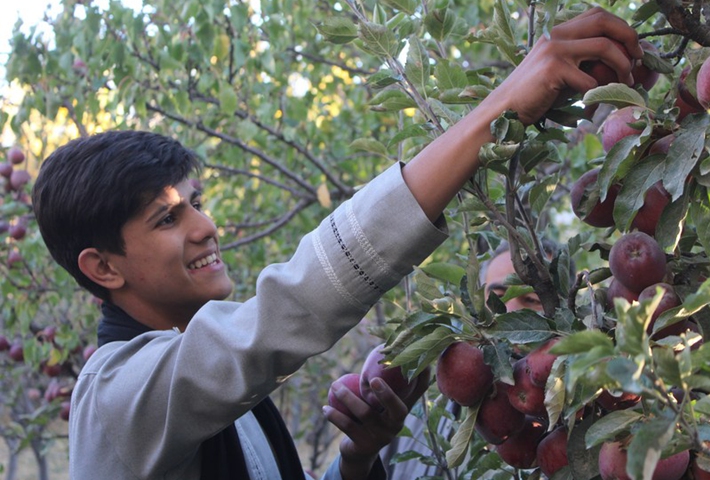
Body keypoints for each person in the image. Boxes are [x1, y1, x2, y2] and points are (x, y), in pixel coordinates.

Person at [31, 9, 641, 480]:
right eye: (167, 219)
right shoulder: (118, 398)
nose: (204, 226)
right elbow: (291, 305)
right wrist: (498, 108)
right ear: (103, 267)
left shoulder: (206, 395)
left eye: (197, 201)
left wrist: (356, 458)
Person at [380, 240, 555, 478]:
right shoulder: (419, 423)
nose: (511, 314)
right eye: (498, 297)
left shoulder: (576, 426)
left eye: (532, 301)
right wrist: (358, 460)